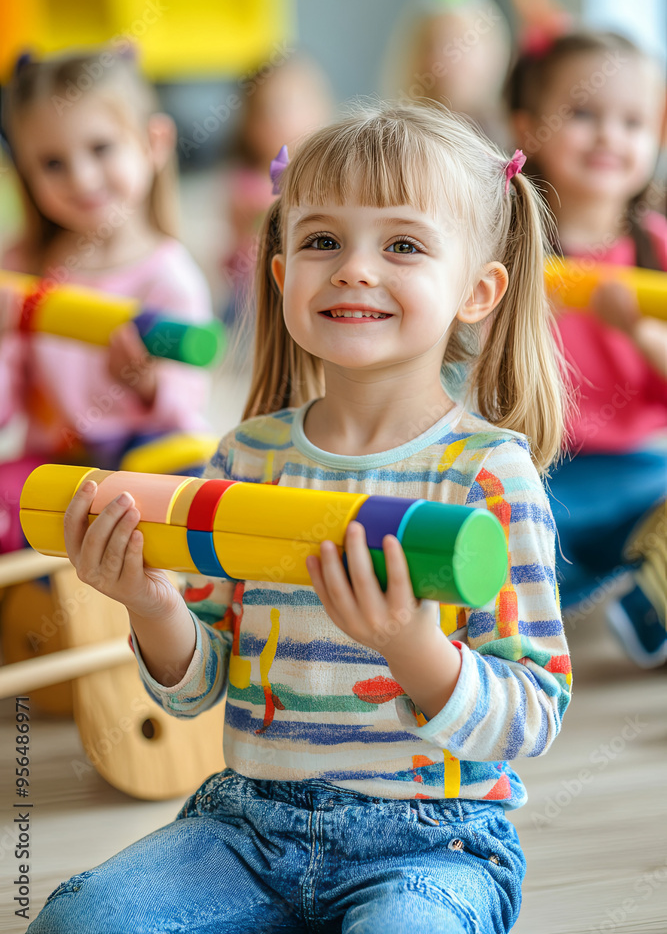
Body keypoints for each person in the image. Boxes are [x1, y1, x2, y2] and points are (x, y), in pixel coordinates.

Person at [28, 102, 572, 934]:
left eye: (401, 244)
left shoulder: (487, 476)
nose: (353, 268)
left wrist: (411, 649)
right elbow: (199, 684)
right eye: (321, 241)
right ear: (280, 275)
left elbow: (531, 712)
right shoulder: (245, 458)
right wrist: (150, 603)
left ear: (477, 291)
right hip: (246, 826)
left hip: (434, 844)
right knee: (81, 921)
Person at [0, 46, 213, 552]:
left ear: (153, 142)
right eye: (52, 162)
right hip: (58, 462)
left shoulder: (167, 274)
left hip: (149, 452)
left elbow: (186, 397)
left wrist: (146, 383)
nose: (81, 178)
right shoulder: (23, 271)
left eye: (100, 149)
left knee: (193, 488)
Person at [506, 29, 667, 668]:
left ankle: (648, 604)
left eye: (633, 122)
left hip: (642, 469)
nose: (609, 136)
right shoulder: (508, 241)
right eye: (582, 114)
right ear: (528, 126)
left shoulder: (654, 246)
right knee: (507, 557)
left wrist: (638, 329)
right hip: (538, 470)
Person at [218, 52, 332, 336]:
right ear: (249, 125)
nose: (282, 119)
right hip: (255, 294)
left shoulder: (327, 176)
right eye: (270, 111)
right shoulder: (245, 185)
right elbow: (259, 221)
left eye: (294, 105)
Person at [379, 0, 512, 147]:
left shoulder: (509, 134)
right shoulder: (400, 138)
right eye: (430, 46)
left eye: (461, 42)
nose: (443, 58)